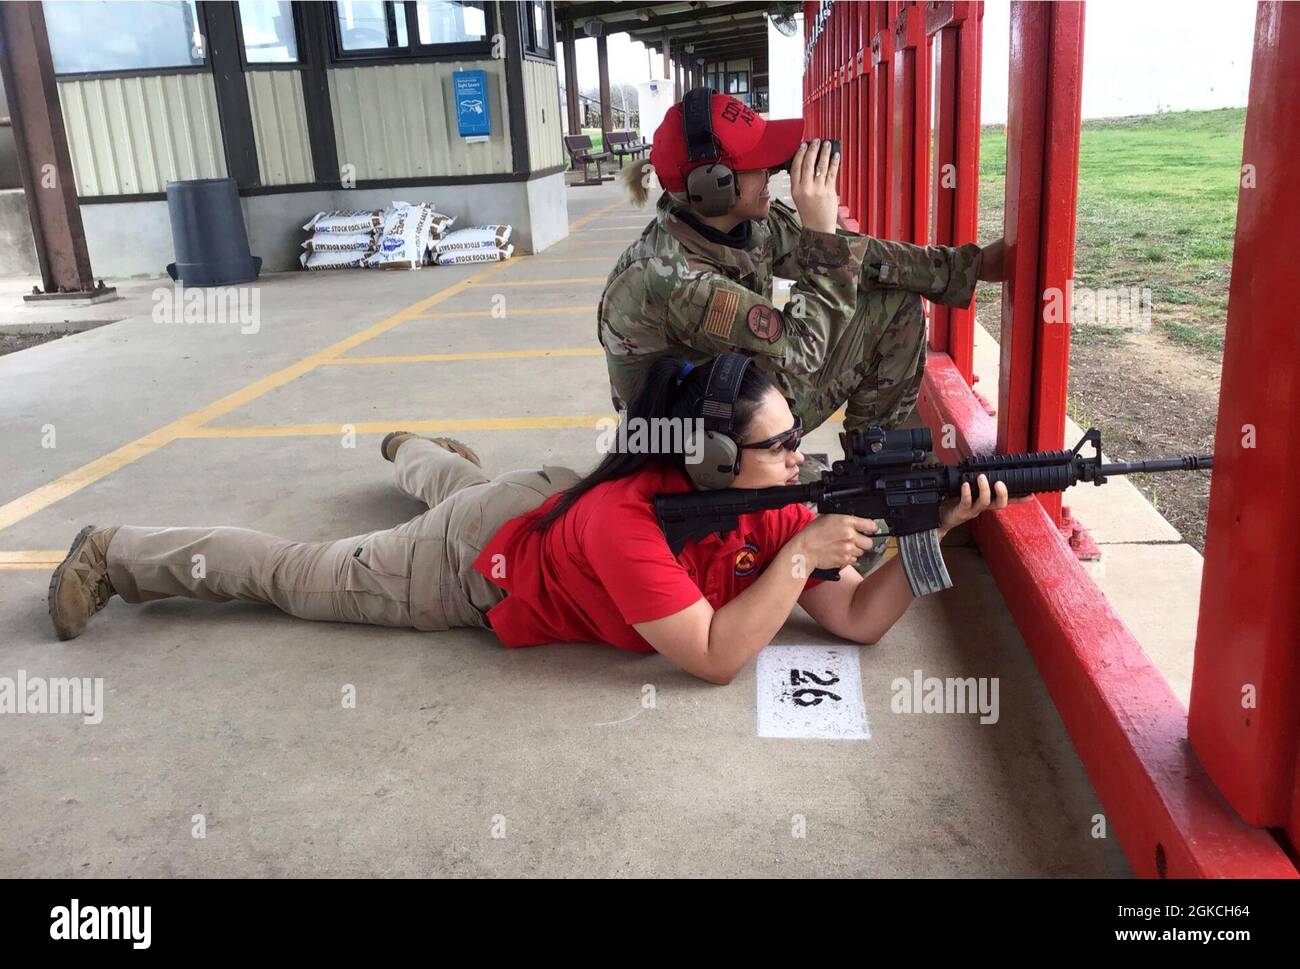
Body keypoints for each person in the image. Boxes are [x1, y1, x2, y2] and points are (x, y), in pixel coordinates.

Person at [47, 355, 1011, 685]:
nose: (801, 458)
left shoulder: (776, 496)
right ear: (715, 460)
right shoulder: (630, 523)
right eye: (781, 444)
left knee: (459, 483)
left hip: (544, 499)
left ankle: (417, 452)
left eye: (799, 437)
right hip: (480, 559)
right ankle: (116, 551)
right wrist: (799, 556)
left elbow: (855, 619)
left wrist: (937, 530)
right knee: (303, 575)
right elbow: (717, 656)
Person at [600, 88, 1006, 438]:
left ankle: (869, 461)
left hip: (725, 393)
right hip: (685, 443)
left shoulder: (739, 224)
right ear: (713, 187)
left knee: (895, 302)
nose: (774, 171)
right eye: (759, 164)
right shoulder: (676, 280)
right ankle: (792, 479)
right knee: (852, 320)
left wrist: (969, 267)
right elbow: (801, 352)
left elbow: (856, 259)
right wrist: (821, 234)